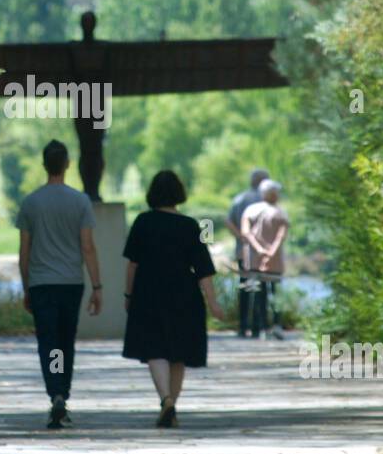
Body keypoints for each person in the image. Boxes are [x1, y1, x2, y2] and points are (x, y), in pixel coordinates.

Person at [122, 170, 224, 428]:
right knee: (179, 353)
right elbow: (204, 271)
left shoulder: (143, 222)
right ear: (179, 193)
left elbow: (132, 265)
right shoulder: (191, 225)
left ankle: (166, 399)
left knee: (155, 349)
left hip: (148, 292)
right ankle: (172, 406)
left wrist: (128, 295)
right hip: (183, 295)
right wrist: (213, 303)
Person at [16, 139, 103, 429]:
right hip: (71, 282)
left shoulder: (31, 203)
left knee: (49, 341)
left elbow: (24, 251)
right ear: (67, 164)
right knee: (66, 341)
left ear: (44, 165)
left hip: (42, 283)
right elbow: (88, 247)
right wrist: (97, 286)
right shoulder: (80, 201)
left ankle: (54, 392)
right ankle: (62, 393)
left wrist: (26, 287)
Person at [240, 179, 290, 340]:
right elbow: (281, 236)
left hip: (254, 259)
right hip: (274, 261)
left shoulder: (250, 210)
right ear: (272, 194)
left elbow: (245, 232)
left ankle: (259, 327)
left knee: (257, 293)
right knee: (275, 294)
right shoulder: (280, 212)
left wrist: (259, 250)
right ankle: (275, 325)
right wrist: (271, 253)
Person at [226, 167, 269, 337]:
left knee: (244, 287)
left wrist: (241, 237)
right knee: (261, 288)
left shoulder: (240, 198)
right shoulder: (265, 202)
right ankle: (259, 326)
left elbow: (228, 221)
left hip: (242, 251)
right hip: (262, 253)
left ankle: (243, 326)